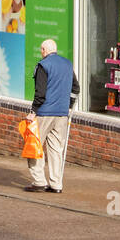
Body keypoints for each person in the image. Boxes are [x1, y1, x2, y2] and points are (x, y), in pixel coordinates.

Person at [24, 39, 79, 194]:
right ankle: (56, 184)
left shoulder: (43, 66)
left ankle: (39, 182)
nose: (41, 53)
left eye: (41, 50)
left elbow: (40, 94)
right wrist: (69, 106)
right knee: (56, 149)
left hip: (44, 113)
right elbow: (76, 88)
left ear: (44, 50)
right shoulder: (67, 64)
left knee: (35, 146)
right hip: (62, 114)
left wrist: (32, 112)